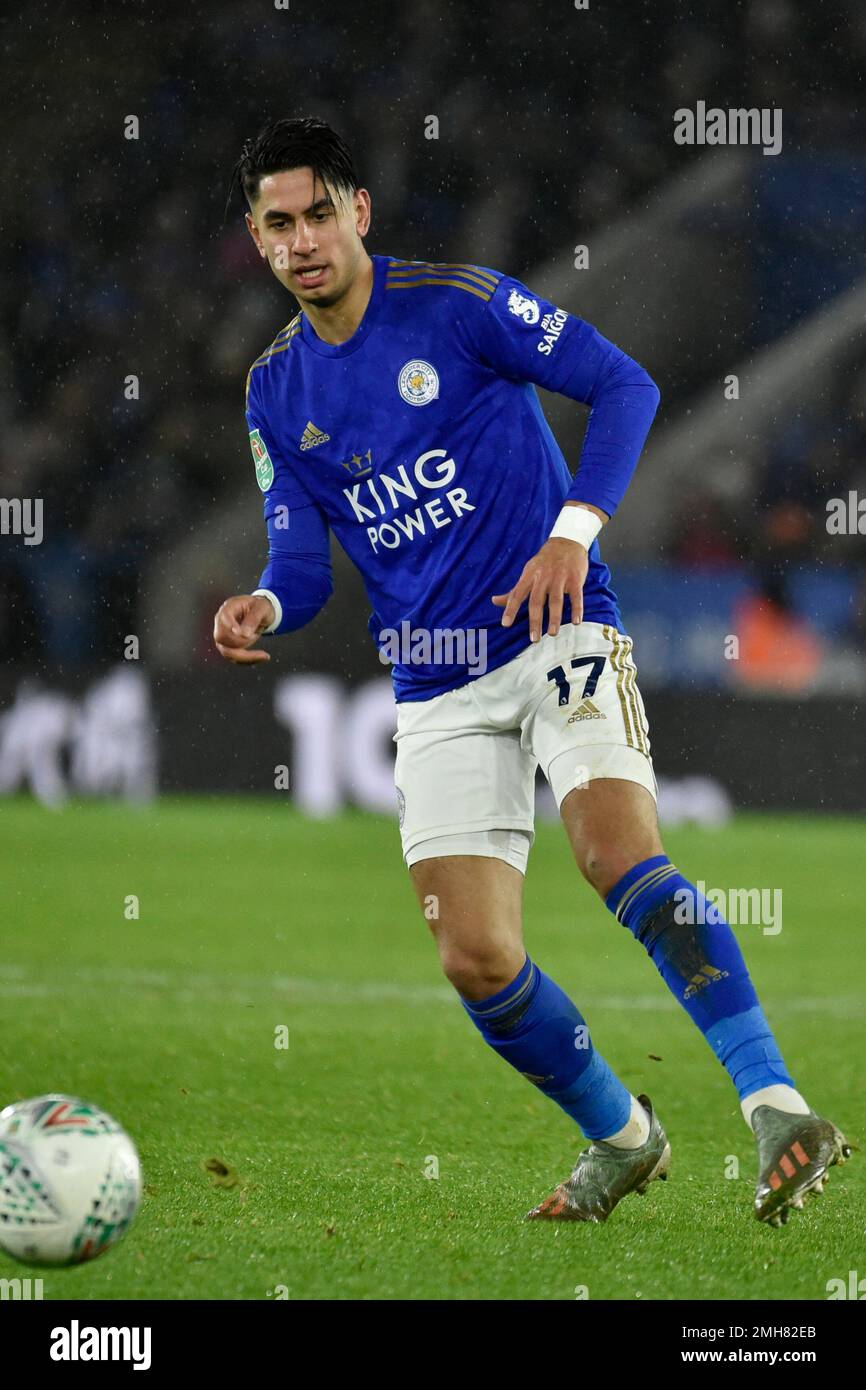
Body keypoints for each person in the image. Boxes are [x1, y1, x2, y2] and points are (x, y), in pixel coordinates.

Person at [214, 116, 852, 1226]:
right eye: (279, 223)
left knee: (615, 855)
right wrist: (266, 601)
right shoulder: (275, 392)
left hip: (556, 633)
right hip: (433, 687)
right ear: (257, 239)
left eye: (320, 212)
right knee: (474, 956)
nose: (303, 239)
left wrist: (571, 530)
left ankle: (774, 1106)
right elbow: (299, 561)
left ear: (359, 211)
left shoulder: (457, 306)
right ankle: (624, 1136)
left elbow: (625, 386)